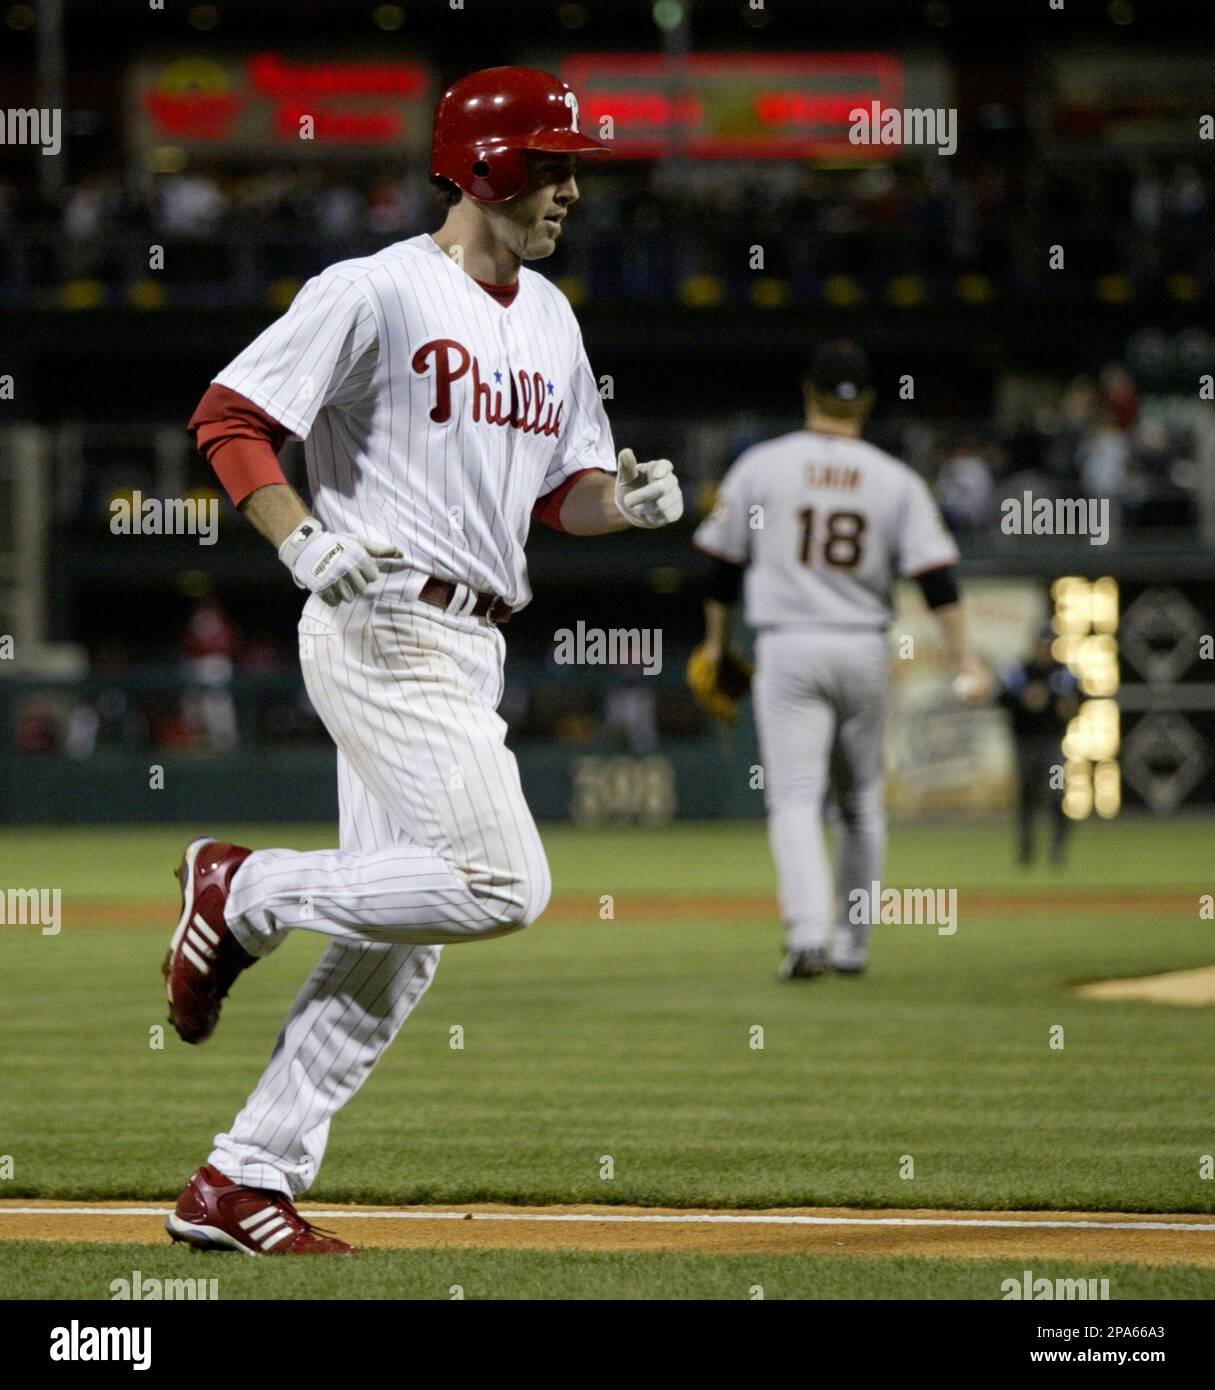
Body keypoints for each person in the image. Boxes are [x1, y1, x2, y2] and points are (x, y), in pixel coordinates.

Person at [162, 67, 684, 1256]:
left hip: (472, 637)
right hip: (380, 618)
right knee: (506, 884)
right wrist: (300, 542)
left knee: (401, 952)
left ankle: (239, 1180)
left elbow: (565, 494)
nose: (567, 186)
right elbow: (229, 417)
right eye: (549, 163)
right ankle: (241, 890)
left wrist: (627, 506)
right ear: (485, 162)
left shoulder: (550, 316)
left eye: (568, 165)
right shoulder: (376, 289)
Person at [691, 341, 986, 981]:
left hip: (788, 644)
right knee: (861, 804)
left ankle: (807, 937)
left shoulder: (761, 465)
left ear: (808, 392)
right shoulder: (896, 478)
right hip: (862, 646)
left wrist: (715, 646)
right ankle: (853, 945)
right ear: (870, 402)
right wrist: (964, 658)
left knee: (795, 800)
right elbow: (938, 581)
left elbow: (720, 568)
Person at [996, 621, 1079, 867]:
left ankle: (1058, 849)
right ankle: (1027, 850)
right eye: (1041, 644)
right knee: (1028, 796)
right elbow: (1000, 699)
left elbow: (1079, 703)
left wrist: (1070, 707)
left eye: (1048, 644)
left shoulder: (1063, 674)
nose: (1044, 648)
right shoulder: (1019, 672)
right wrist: (1024, 700)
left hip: (1053, 745)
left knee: (1056, 793)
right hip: (1026, 745)